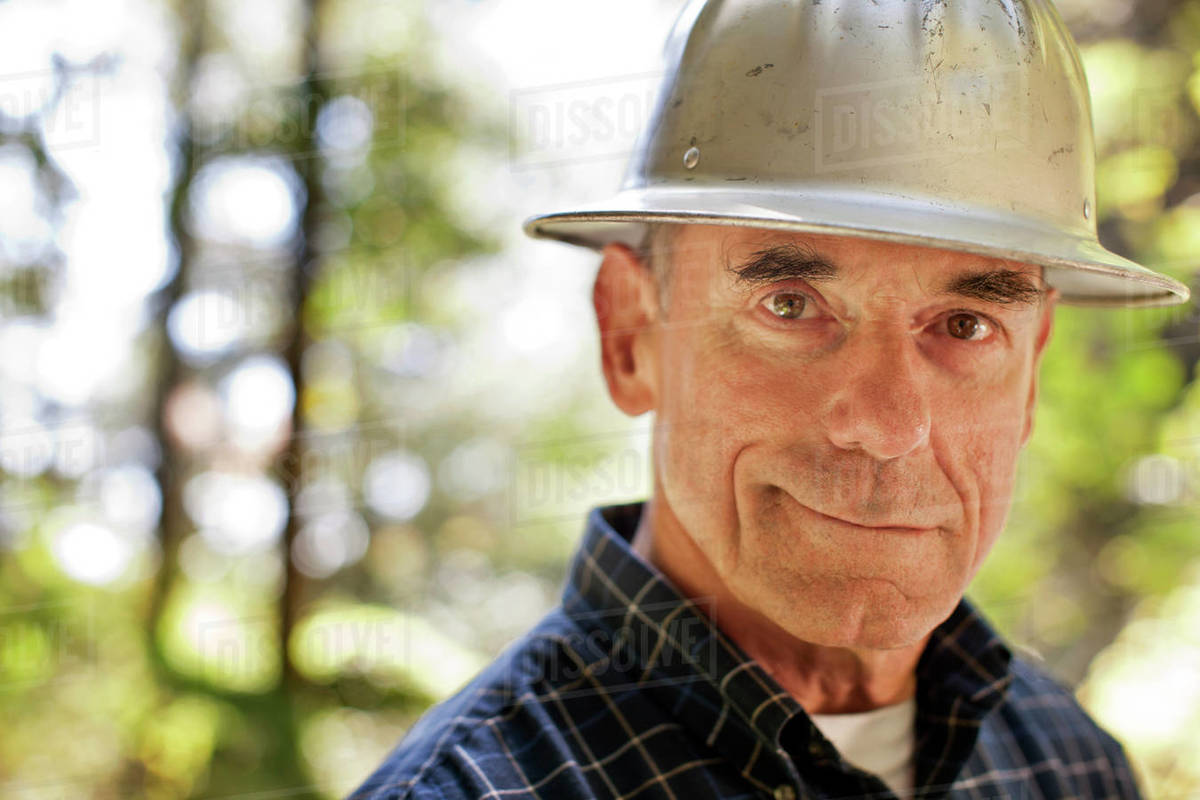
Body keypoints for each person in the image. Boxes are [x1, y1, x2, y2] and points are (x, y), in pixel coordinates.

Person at [350, 0, 1189, 798]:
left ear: (1031, 374)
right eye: (790, 305)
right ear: (631, 336)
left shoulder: (1073, 767)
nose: (889, 427)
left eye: (965, 325)